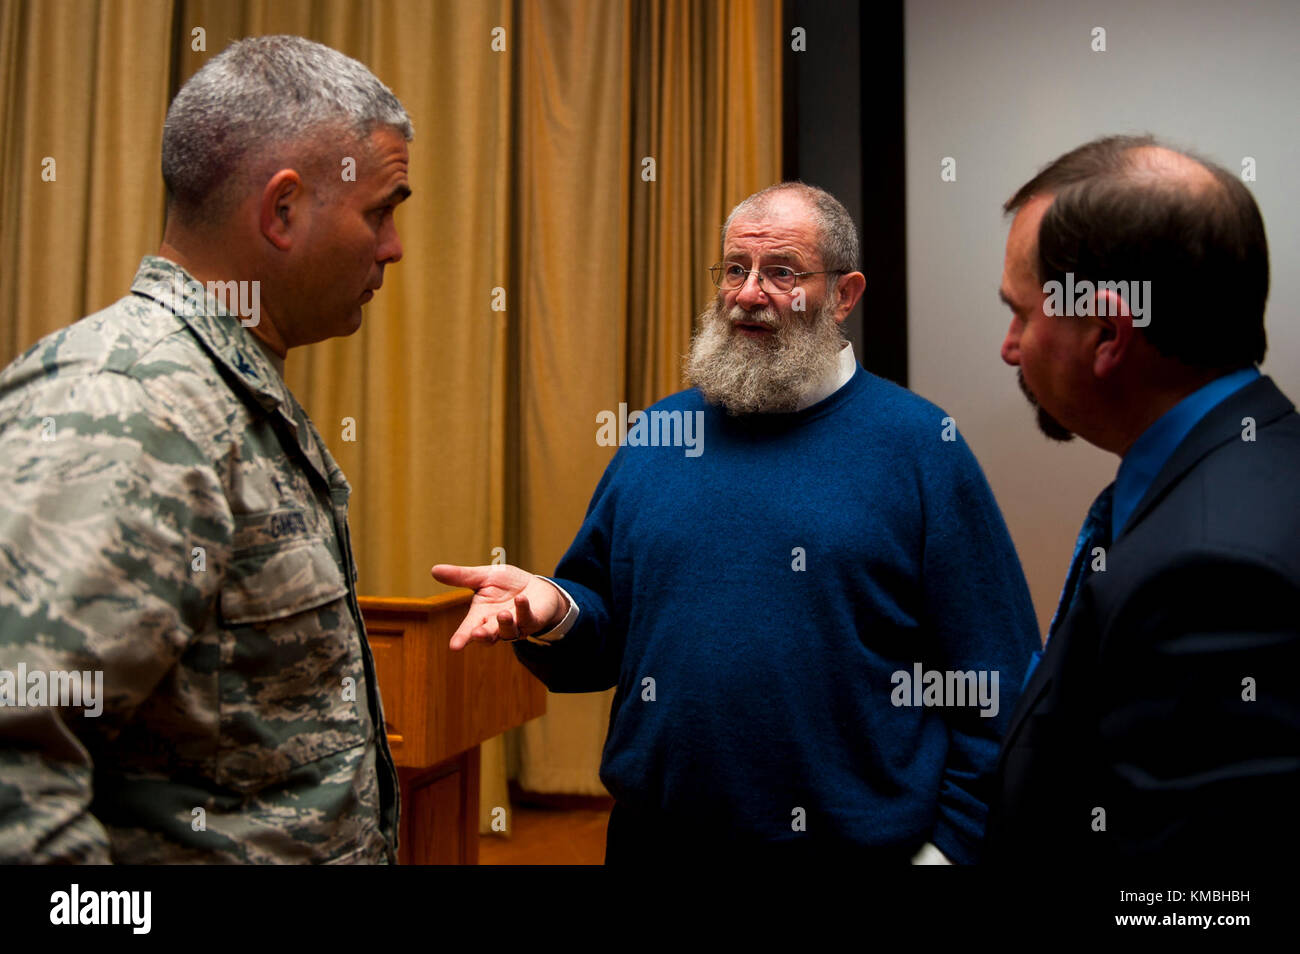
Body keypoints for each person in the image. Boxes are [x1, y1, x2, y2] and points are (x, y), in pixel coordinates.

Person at [434, 183, 1040, 864]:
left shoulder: (923, 448)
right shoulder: (659, 435)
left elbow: (999, 682)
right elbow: (597, 650)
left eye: (781, 272)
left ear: (843, 294)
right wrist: (555, 609)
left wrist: (948, 851)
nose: (748, 294)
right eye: (734, 269)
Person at [0, 35, 412, 863]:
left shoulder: (220, 386)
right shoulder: (130, 402)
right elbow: (16, 765)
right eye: (381, 209)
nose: (394, 246)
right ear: (284, 210)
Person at [985, 134, 1300, 864]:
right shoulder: (1239, 466)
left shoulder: (1211, 575)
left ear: (1106, 331)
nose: (1009, 346)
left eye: (1021, 314)